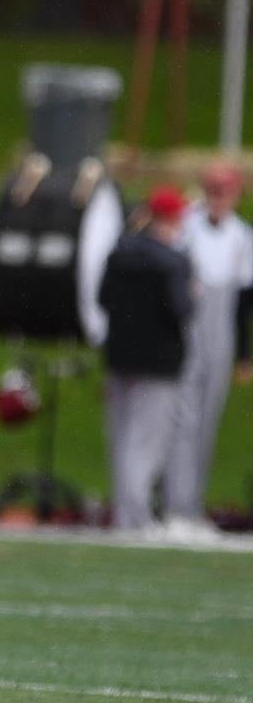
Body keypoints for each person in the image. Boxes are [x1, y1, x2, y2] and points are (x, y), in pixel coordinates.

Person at [98, 186, 195, 534]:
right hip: (158, 362)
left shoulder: (119, 254)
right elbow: (180, 309)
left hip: (120, 357)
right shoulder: (172, 261)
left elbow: (102, 298)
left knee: (122, 437)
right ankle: (136, 516)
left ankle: (124, 513)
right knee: (145, 442)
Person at [164, 163, 253, 542]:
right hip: (189, 328)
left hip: (221, 328)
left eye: (225, 191)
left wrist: (244, 356)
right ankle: (174, 504)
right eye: (213, 190)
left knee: (206, 421)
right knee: (182, 420)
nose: (218, 198)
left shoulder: (241, 235)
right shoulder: (187, 225)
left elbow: (244, 301)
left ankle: (192, 505)